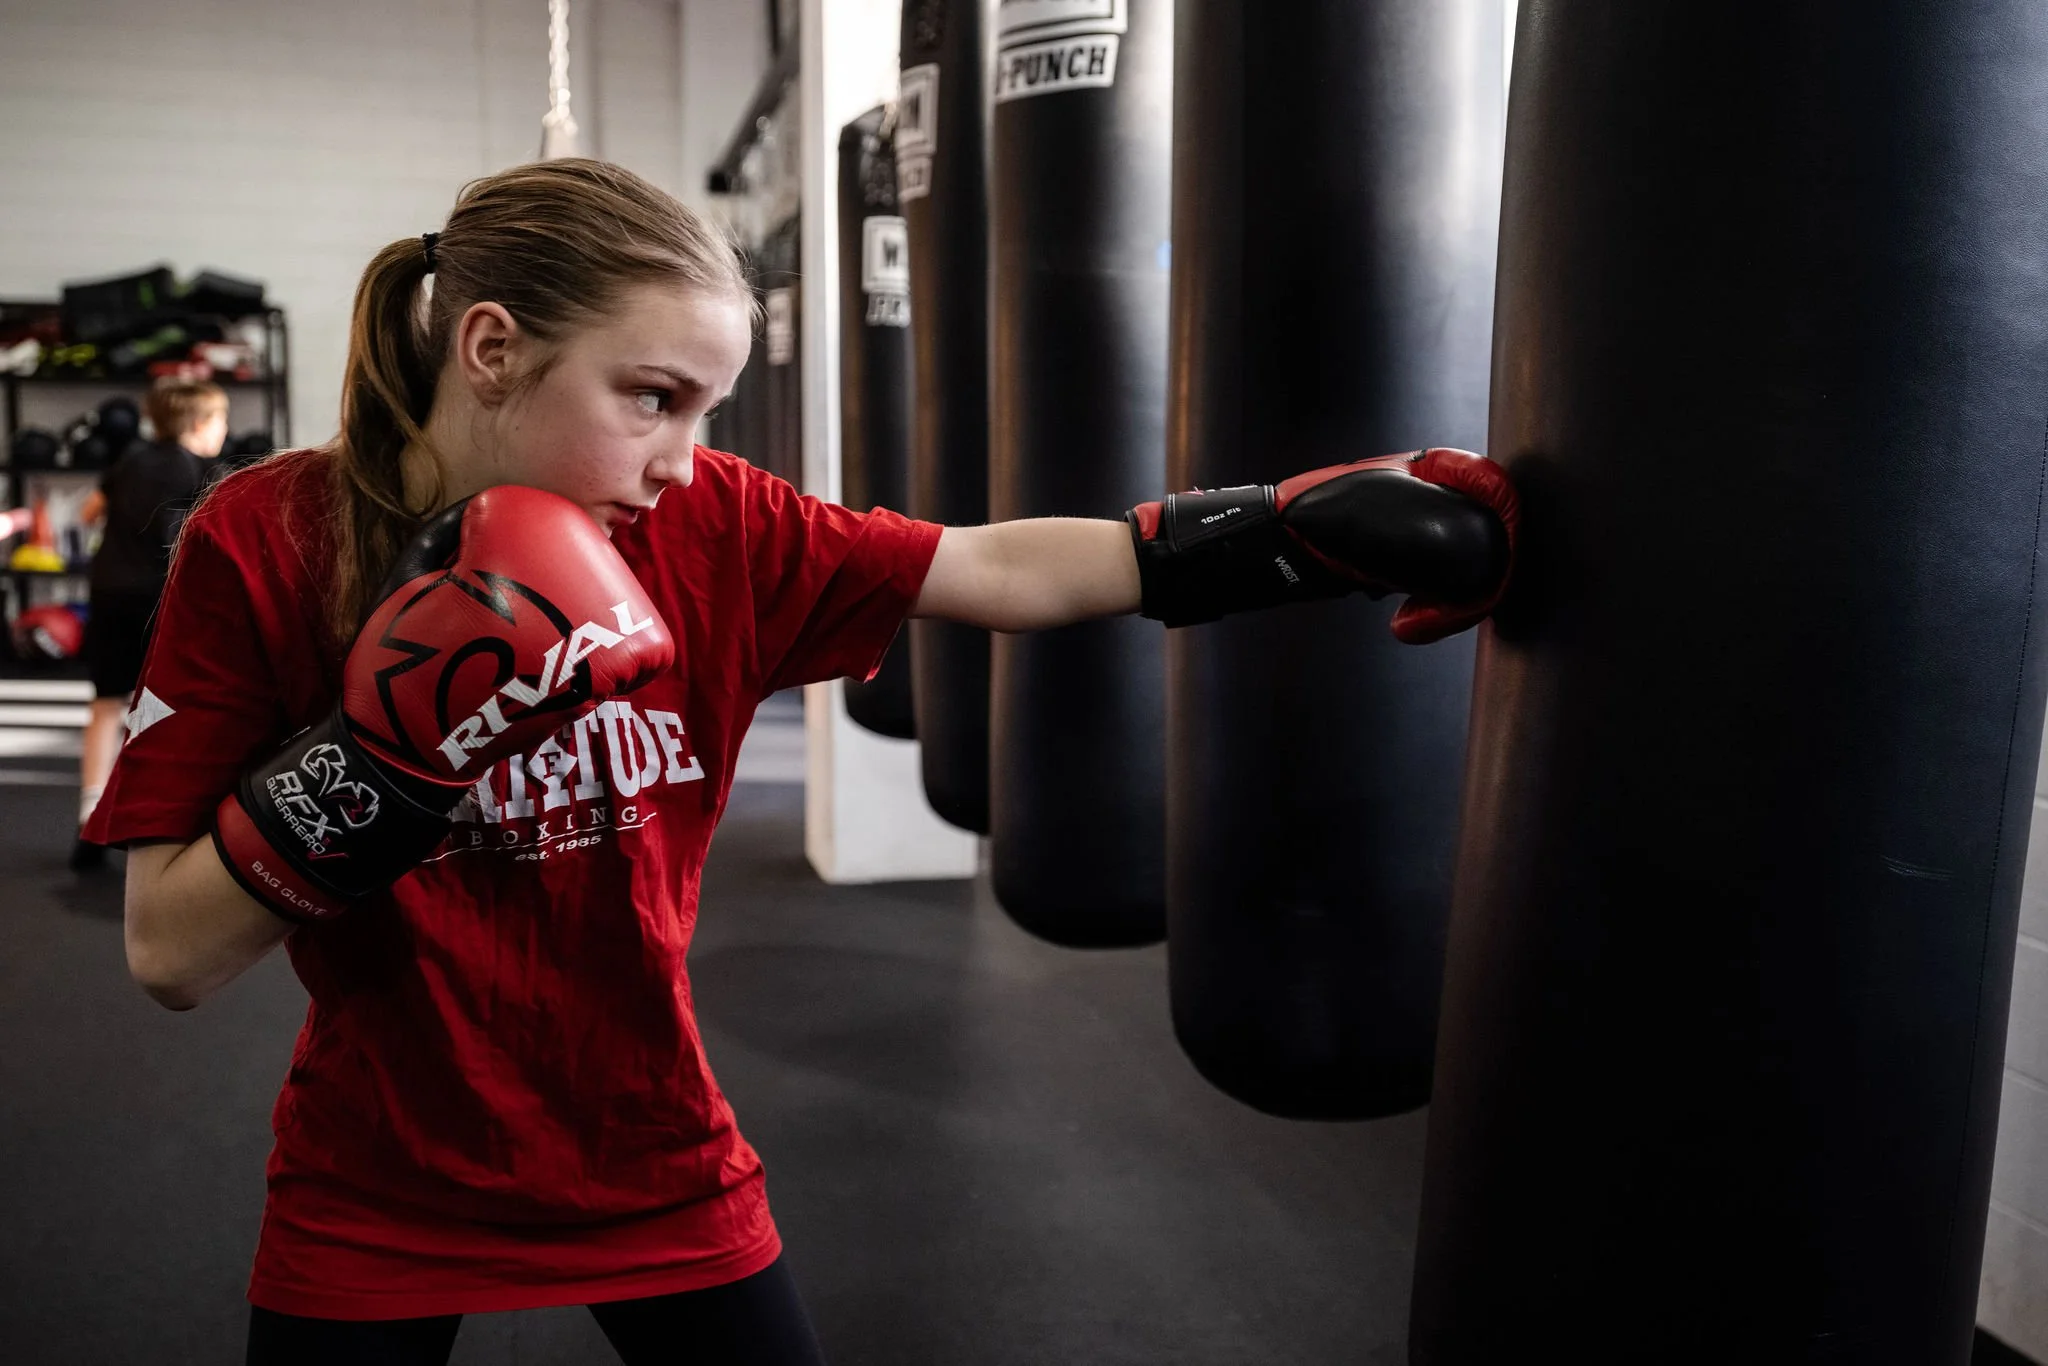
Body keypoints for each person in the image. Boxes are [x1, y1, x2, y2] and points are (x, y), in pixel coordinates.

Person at [86, 159, 1517, 1366]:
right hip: (374, 1175)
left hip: (649, 1147)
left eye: (709, 409)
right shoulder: (263, 541)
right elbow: (168, 947)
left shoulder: (714, 524)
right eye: (653, 396)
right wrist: (388, 755)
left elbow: (992, 564)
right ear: (492, 347)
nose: (684, 458)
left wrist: (1284, 531)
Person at [70, 377, 228, 870]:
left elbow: (88, 512)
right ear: (202, 424)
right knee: (164, 710)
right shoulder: (205, 470)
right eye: (222, 421)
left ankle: (90, 815)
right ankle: (155, 823)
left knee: (106, 704)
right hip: (165, 600)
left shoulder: (129, 461)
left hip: (112, 593)